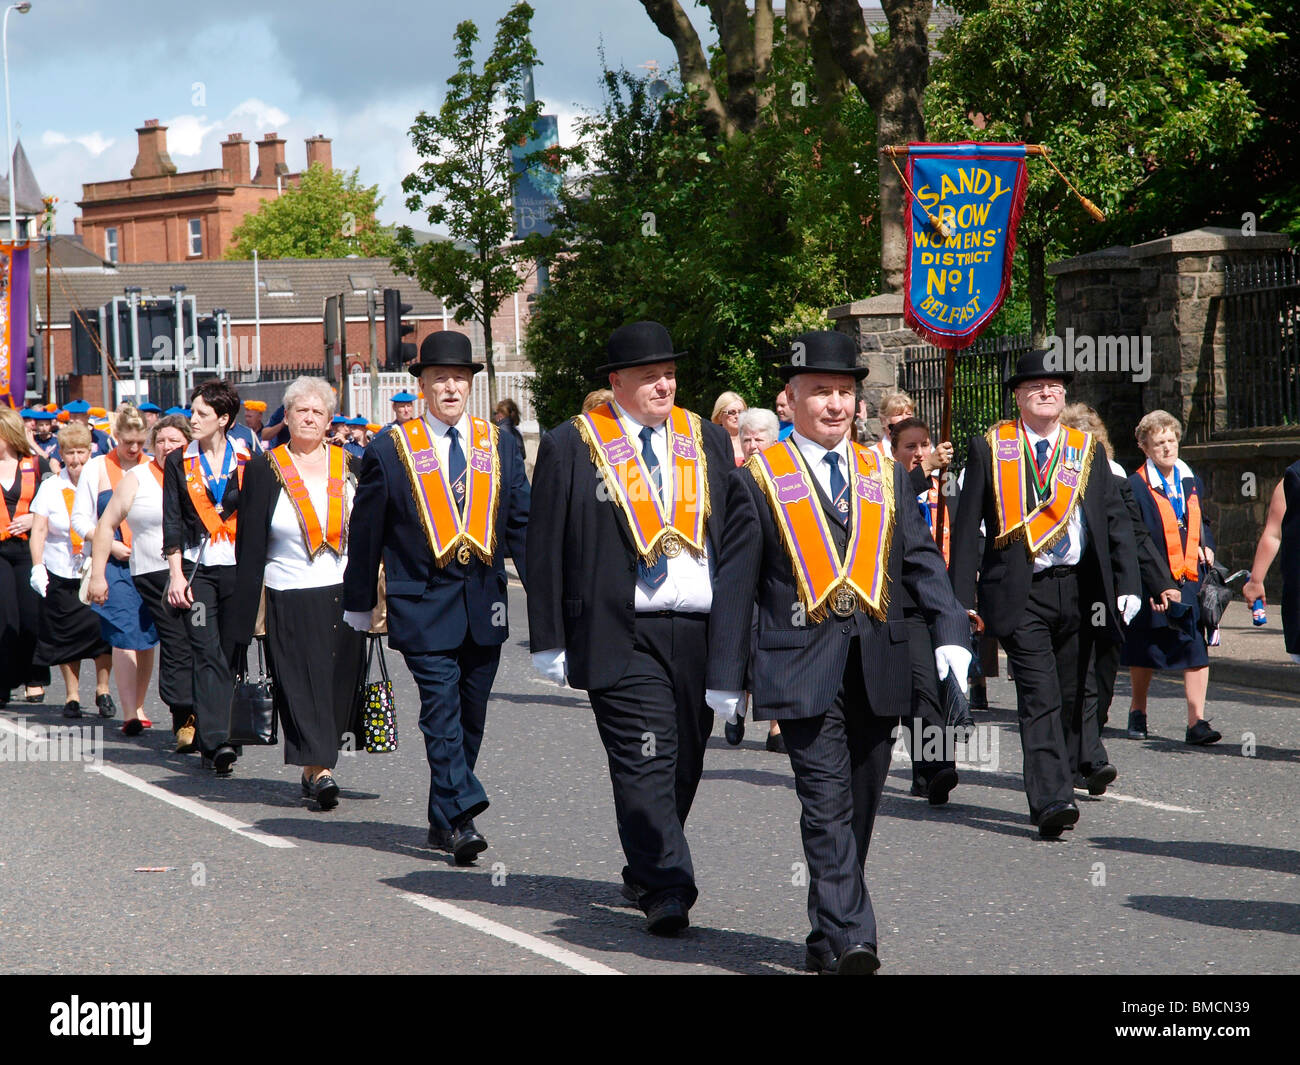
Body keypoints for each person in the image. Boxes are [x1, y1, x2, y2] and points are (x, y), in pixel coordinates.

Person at [705, 331, 970, 974]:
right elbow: (738, 581)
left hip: (877, 665)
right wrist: (724, 678)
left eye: (845, 393)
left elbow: (921, 562)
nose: (834, 405)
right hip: (797, 663)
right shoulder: (755, 480)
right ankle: (855, 936)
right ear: (790, 400)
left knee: (860, 803)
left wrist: (953, 639)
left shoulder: (884, 472)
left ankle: (826, 929)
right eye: (819, 392)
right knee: (824, 802)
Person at [528, 320, 739, 937]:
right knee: (644, 759)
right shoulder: (574, 443)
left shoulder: (704, 439)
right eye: (649, 376)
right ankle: (669, 885)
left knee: (684, 763)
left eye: (670, 374)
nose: (664, 385)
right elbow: (543, 546)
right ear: (616, 382)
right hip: (620, 630)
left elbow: (731, 536)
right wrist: (548, 638)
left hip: (698, 628)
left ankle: (646, 861)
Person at [344, 332, 530, 859]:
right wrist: (360, 601)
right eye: (439, 379)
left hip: (484, 601)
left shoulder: (501, 443)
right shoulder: (389, 447)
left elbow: (521, 523)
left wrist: (547, 598)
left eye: (460, 379)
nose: (450, 388)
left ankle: (441, 816)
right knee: (440, 711)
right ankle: (464, 814)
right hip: (421, 601)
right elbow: (368, 531)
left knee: (471, 716)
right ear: (421, 386)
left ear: (471, 385)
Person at [948, 351, 1140, 838]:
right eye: (1035, 386)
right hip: (1022, 592)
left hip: (1081, 588)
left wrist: (1130, 584)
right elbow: (969, 525)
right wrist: (960, 596)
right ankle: (1051, 801)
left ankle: (1067, 773)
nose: (1047, 392)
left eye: (1054, 385)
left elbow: (1113, 520)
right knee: (1040, 694)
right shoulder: (991, 447)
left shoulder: (1085, 449)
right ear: (1018, 396)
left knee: (1077, 694)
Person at [234, 377, 367, 810]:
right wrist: (243, 612)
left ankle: (318, 764)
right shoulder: (262, 469)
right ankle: (318, 768)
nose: (309, 418)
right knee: (299, 682)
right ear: (286, 417)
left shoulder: (352, 465)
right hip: (288, 590)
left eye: (317, 412)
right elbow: (250, 543)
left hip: (344, 591)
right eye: (300, 411)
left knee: (337, 682)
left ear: (330, 420)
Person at [1059, 403, 1179, 745]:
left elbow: (1134, 535)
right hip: (1063, 591)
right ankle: (1082, 753)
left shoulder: (1113, 476)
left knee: (1103, 672)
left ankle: (1089, 742)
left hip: (1107, 592)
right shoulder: (1050, 479)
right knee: (1071, 676)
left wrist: (1161, 584)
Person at [89, 414, 198, 746]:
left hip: (197, 572)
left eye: (174, 441)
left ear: (188, 444)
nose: (166, 447)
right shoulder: (137, 477)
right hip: (153, 575)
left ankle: (209, 719)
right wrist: (97, 576)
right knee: (176, 643)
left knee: (202, 643)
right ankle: (184, 718)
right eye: (161, 440)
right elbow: (106, 526)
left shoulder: (200, 476)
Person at [163, 379, 252, 776]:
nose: (192, 420)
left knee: (233, 650)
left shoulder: (250, 458)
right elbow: (173, 523)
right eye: (192, 412)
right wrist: (175, 575)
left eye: (201, 414)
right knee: (205, 649)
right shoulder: (178, 461)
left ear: (224, 419)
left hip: (239, 567)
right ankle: (217, 741)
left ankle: (221, 732)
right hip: (199, 570)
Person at [1122, 410, 1221, 746]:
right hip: (1152, 578)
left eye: (1170, 440)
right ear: (1145, 448)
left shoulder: (1190, 480)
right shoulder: (1134, 486)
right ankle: (1138, 710)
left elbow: (1200, 521)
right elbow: (1139, 539)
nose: (1167, 448)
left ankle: (1197, 722)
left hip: (1190, 577)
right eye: (1158, 443)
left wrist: (1206, 546)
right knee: (1147, 647)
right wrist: (1158, 583)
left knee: (1195, 646)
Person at [887, 416, 963, 804]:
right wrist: (927, 468)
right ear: (894, 450)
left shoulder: (945, 483)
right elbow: (895, 502)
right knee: (921, 686)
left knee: (941, 681)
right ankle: (935, 767)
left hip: (939, 597)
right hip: (902, 601)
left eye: (924, 446)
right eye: (910, 448)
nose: (918, 454)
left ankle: (929, 771)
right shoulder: (884, 479)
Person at [73, 405, 157, 731]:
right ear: (115, 437)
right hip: (113, 562)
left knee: (148, 636)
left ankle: (139, 702)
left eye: (139, 442)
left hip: (149, 561)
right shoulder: (97, 468)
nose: (134, 449)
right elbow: (80, 520)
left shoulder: (152, 467)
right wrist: (108, 543)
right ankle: (128, 712)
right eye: (127, 442)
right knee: (124, 633)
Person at [28, 423, 114, 719]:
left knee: (101, 634)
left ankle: (103, 690)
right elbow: (38, 529)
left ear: (90, 451)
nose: (75, 459)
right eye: (69, 453)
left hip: (95, 568)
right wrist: (38, 566)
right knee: (67, 636)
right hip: (61, 570)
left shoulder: (101, 482)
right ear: (61, 454)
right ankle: (72, 695)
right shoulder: (51, 485)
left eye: (80, 452)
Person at [727, 407, 787, 752]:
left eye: (758, 437)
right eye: (746, 438)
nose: (752, 444)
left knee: (775, 644)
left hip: (779, 577)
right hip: (744, 576)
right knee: (747, 641)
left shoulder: (787, 475)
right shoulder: (734, 478)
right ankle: (738, 704)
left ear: (773, 439)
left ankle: (777, 725)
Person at [0, 406, 52, 703]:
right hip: (0, 550)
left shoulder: (36, 464)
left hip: (29, 548)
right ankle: (3, 681)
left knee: (32, 615)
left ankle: (35, 676)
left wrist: (35, 519)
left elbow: (57, 502)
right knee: (4, 615)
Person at [711, 391, 748, 466]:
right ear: (719, 416)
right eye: (731, 412)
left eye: (741, 412)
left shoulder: (753, 441)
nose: (737, 416)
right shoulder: (712, 443)